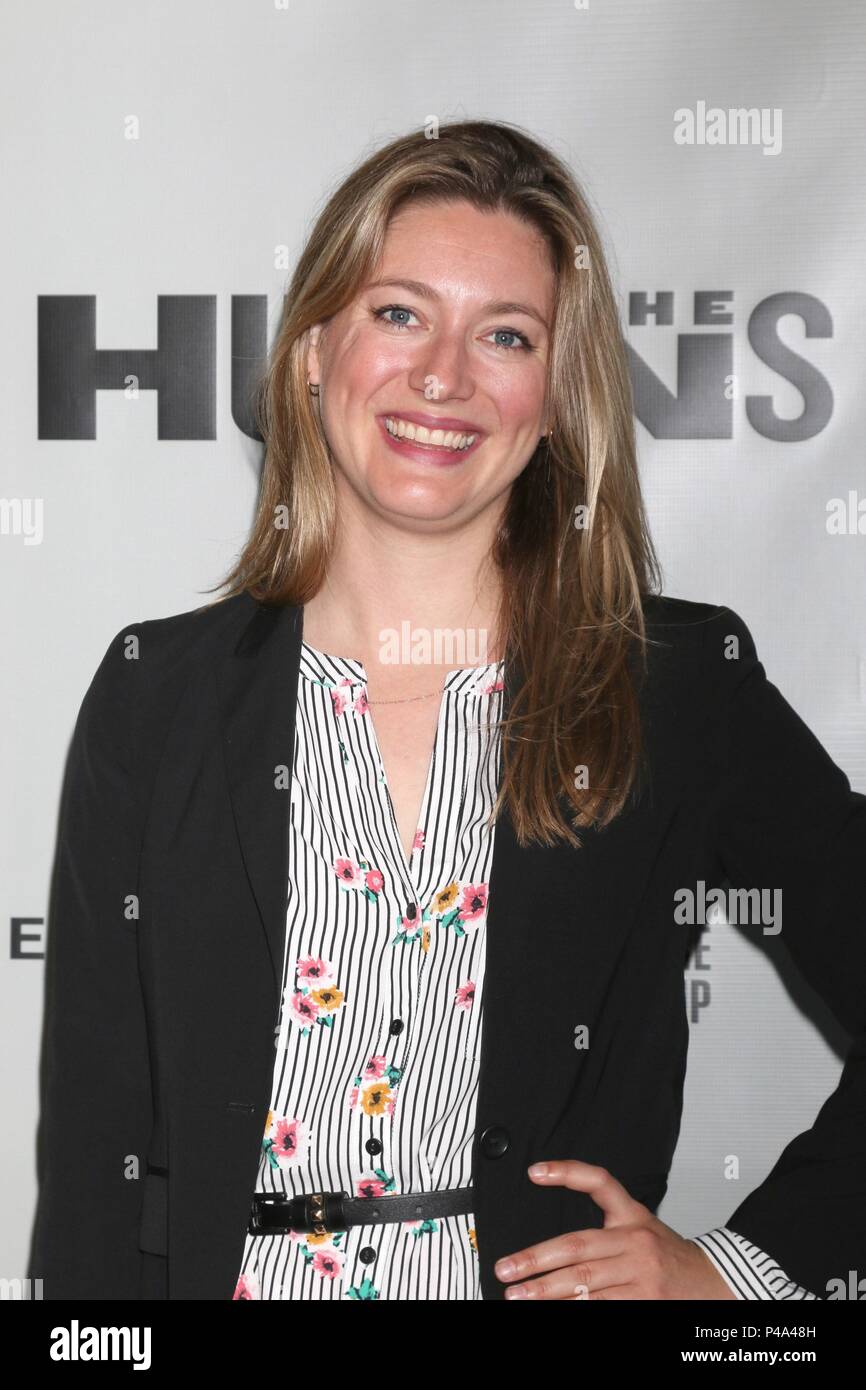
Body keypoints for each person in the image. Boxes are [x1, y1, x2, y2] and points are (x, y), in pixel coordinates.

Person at [28, 120, 865, 1301]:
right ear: (314, 349)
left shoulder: (673, 685)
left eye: (506, 335)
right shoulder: (154, 696)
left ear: (555, 397)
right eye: (399, 313)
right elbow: (96, 1165)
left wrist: (738, 1271)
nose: (444, 377)